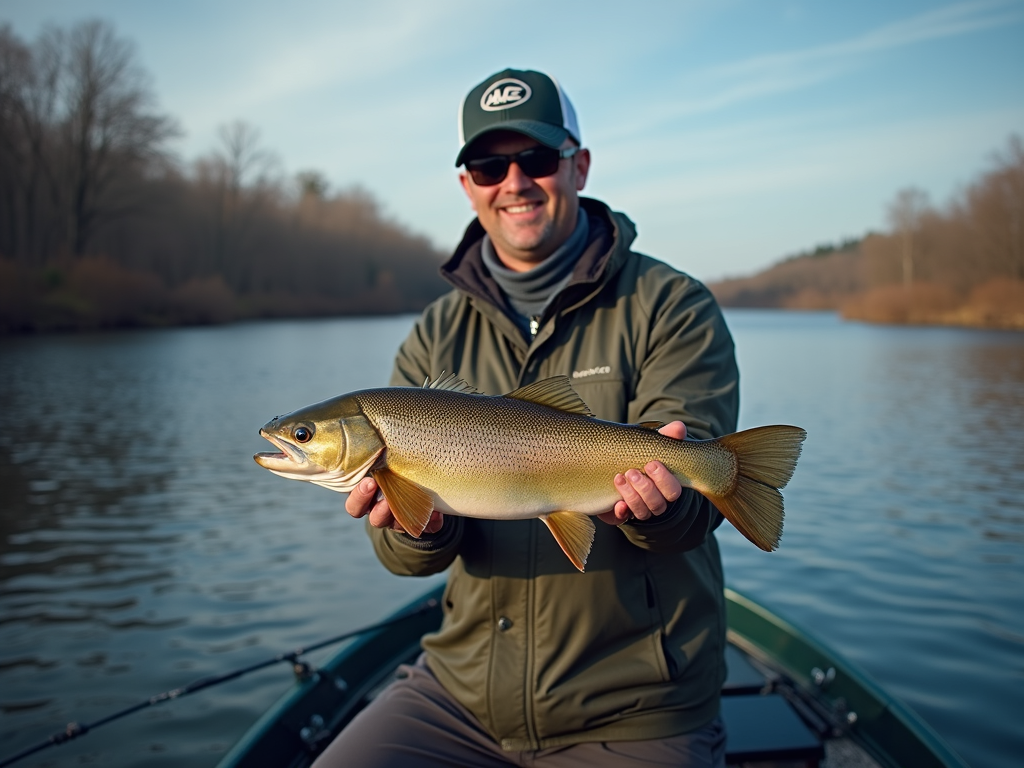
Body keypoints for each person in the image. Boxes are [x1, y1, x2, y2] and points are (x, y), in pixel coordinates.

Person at [315, 68, 738, 768]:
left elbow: (690, 516)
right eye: (488, 164)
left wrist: (661, 505)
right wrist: (419, 524)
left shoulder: (671, 305)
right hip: (459, 695)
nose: (513, 181)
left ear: (578, 166)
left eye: (535, 159)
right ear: (467, 185)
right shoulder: (433, 335)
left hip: (638, 707)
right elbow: (404, 557)